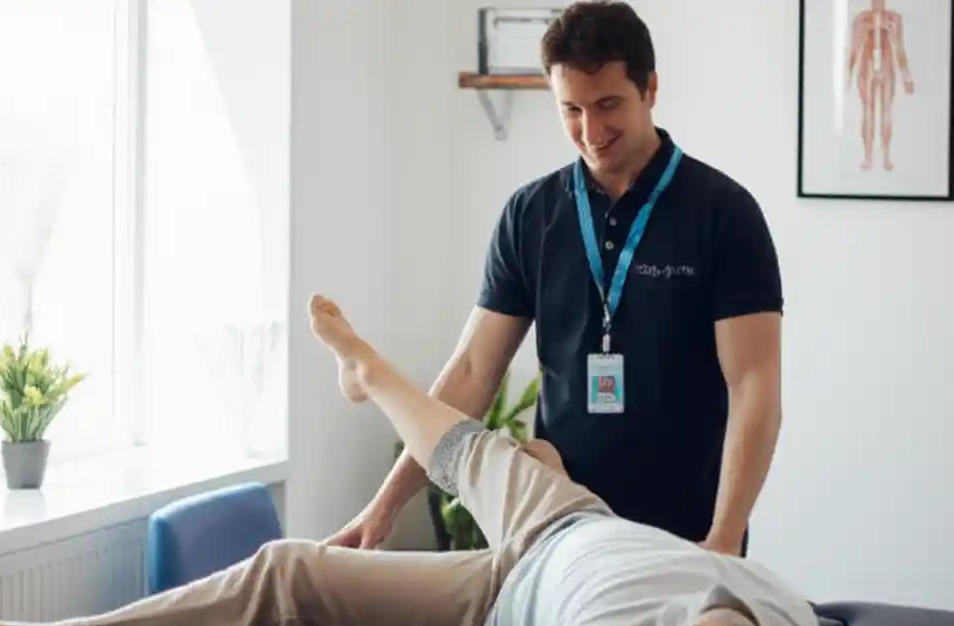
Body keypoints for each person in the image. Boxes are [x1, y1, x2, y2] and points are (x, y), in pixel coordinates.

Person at [0, 295, 819, 626]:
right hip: (578, 522)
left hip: (502, 604)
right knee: (486, 449)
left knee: (288, 573)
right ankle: (373, 376)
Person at [328, 1, 785, 557]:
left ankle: (368, 374)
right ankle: (369, 374)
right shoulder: (530, 214)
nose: (590, 131)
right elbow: (472, 373)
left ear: (651, 89)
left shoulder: (723, 213)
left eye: (608, 105)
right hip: (555, 527)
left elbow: (755, 388)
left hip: (684, 533)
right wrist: (383, 508)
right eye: (571, 109)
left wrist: (724, 537)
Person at [848, 0, 915, 171]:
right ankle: (867, 156)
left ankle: (886, 156)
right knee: (868, 113)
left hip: (886, 68)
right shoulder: (862, 19)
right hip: (866, 68)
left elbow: (900, 49)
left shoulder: (894, 19)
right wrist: (847, 76)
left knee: (886, 113)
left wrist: (906, 76)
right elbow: (854, 49)